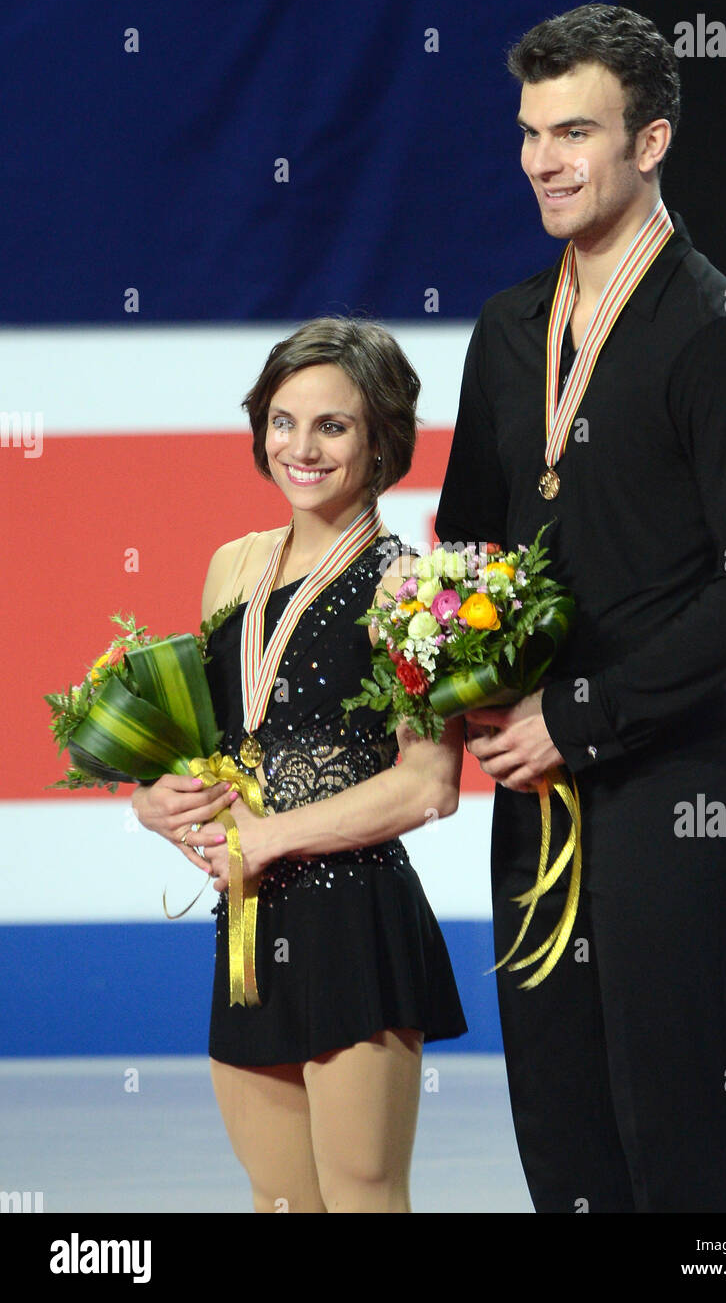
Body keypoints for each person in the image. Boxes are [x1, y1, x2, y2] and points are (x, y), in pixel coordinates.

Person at [435, 3, 726, 1213]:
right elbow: (466, 552)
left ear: (648, 142)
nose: (544, 157)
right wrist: (456, 687)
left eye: (575, 130)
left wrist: (578, 712)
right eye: (531, 130)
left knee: (672, 1104)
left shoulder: (713, 335)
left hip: (666, 777)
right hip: (531, 782)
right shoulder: (503, 332)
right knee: (555, 1099)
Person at [132, 317, 467, 1213]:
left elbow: (430, 783)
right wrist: (159, 801)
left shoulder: (412, 584)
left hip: (355, 916)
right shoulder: (230, 568)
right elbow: (209, 750)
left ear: (382, 438)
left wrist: (271, 835)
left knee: (361, 1195)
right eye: (283, 421)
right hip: (246, 923)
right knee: (278, 1201)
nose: (301, 447)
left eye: (333, 425)